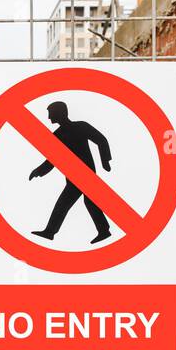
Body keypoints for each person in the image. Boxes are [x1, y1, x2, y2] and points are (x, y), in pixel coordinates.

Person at [28, 100, 113, 244]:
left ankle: (50, 232)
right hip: (74, 177)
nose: (49, 118)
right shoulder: (58, 135)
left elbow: (101, 140)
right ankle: (104, 231)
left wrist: (105, 161)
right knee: (88, 202)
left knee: (66, 203)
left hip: (85, 174)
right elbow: (53, 159)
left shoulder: (80, 126)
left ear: (59, 113)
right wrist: (39, 171)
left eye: (50, 114)